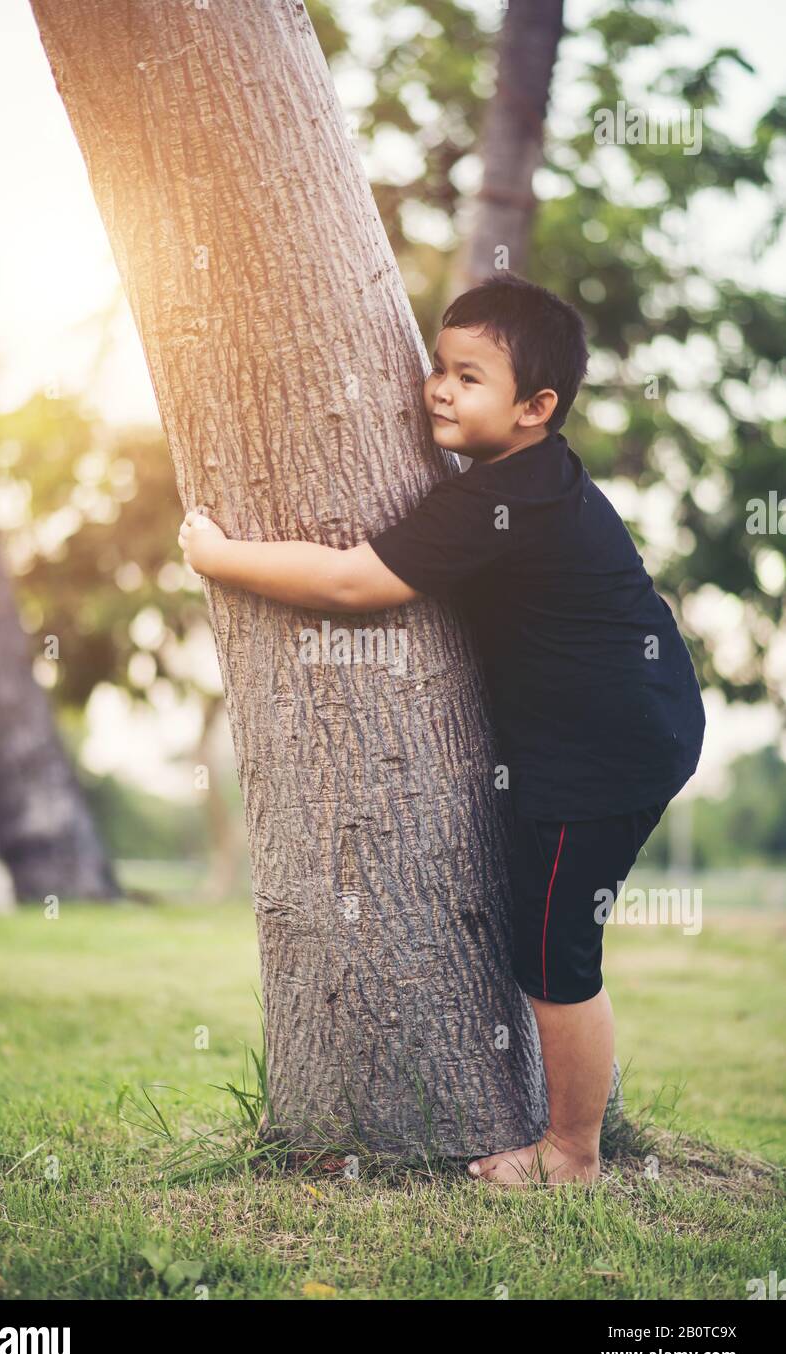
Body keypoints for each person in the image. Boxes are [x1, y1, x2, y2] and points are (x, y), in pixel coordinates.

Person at [177, 270, 706, 1186]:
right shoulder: (518, 479)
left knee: (553, 955)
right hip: (622, 725)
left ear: (536, 406)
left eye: (469, 377)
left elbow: (352, 584)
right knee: (536, 931)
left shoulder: (503, 498)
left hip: (608, 748)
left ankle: (571, 1154)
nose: (437, 388)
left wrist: (218, 557)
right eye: (437, 367)